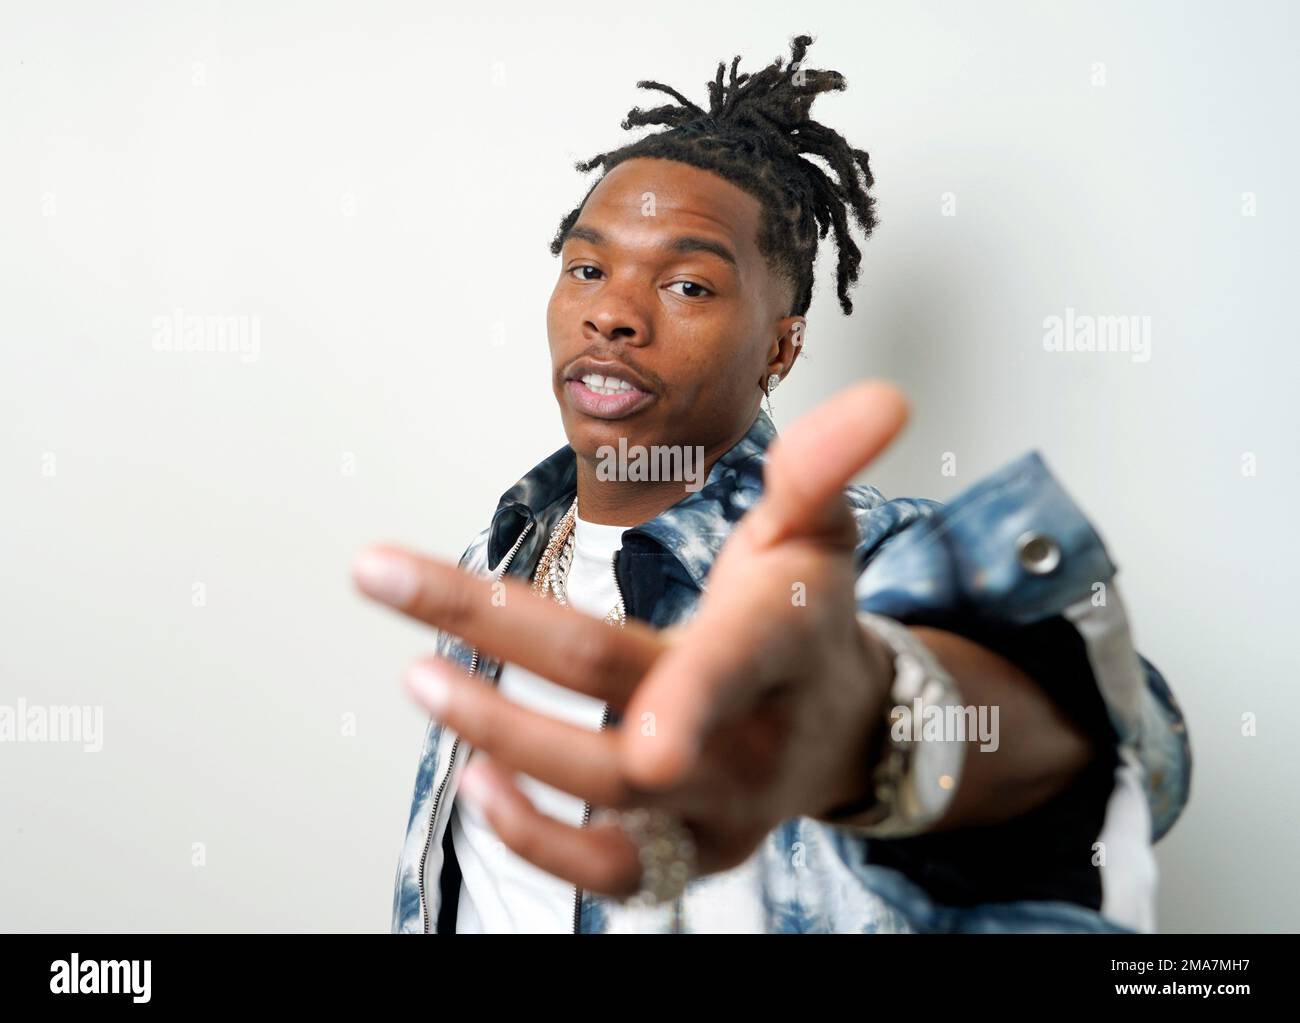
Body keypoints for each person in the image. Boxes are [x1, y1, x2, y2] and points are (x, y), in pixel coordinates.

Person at [353, 34, 1191, 934]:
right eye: (587, 269)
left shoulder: (856, 570)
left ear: (781, 348)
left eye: (687, 284)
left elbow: (1136, 748)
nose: (612, 314)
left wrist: (874, 724)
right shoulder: (501, 558)